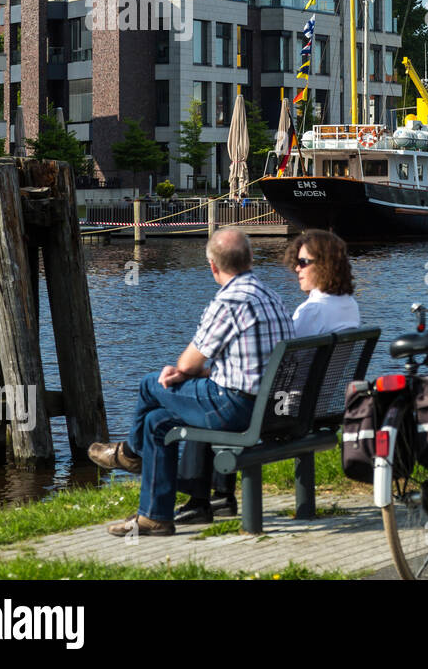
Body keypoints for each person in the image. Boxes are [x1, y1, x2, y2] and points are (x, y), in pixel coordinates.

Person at [89, 229, 293, 537]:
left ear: (212, 266)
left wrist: (182, 371)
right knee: (157, 422)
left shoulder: (229, 301)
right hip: (272, 408)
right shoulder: (271, 295)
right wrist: (192, 373)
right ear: (251, 259)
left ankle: (130, 453)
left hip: (238, 408)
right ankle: (155, 517)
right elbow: (247, 366)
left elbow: (189, 363)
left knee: (149, 385)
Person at [172, 229, 361, 524]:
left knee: (214, 398)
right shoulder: (348, 305)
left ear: (325, 264)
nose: (296, 269)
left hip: (285, 410)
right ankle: (219, 495)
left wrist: (215, 372)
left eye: (303, 262)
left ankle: (201, 497)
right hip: (321, 408)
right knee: (219, 392)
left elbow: (268, 362)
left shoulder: (313, 311)